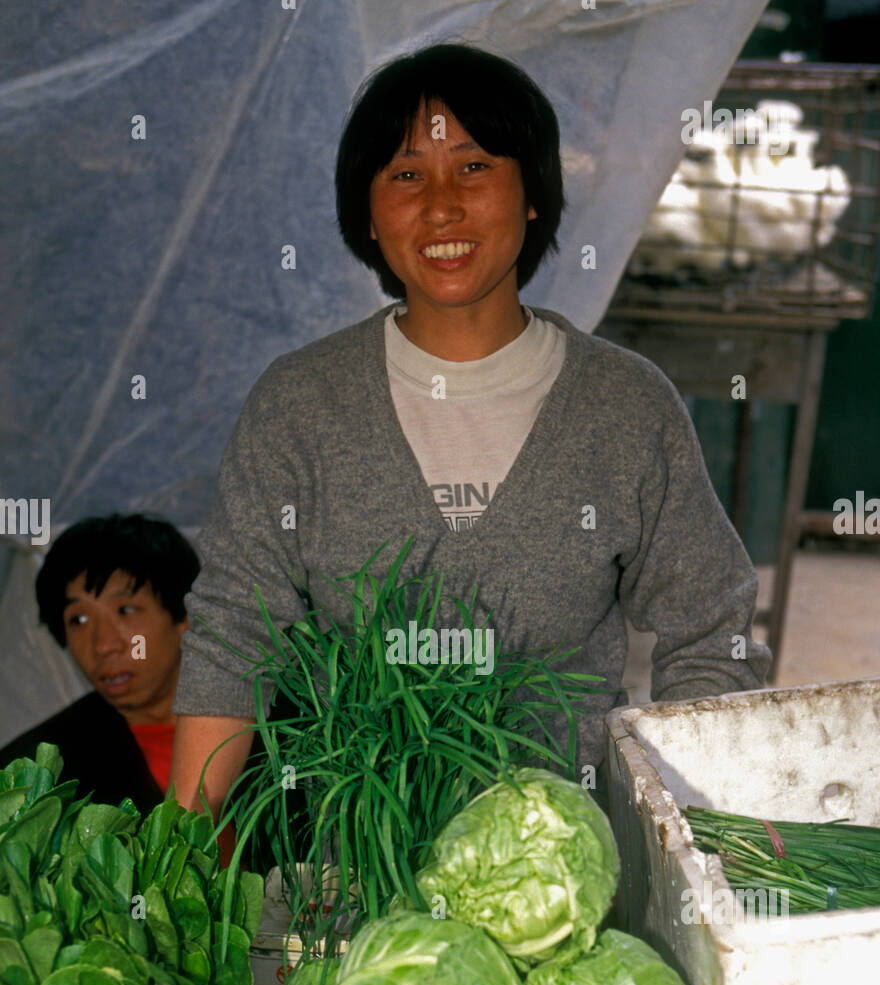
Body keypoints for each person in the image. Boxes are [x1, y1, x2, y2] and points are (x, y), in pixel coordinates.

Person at [170, 42, 771, 819]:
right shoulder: (300, 406)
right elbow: (232, 635)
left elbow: (709, 632)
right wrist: (175, 861)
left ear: (532, 194)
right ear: (369, 212)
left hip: (565, 887)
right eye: (407, 173)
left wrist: (693, 833)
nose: (442, 205)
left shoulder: (624, 407)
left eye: (476, 166)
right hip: (357, 884)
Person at [0, 513, 199, 810]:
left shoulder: (271, 723)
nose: (104, 645)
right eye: (78, 619)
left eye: (126, 610)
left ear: (184, 617)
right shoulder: (37, 772)